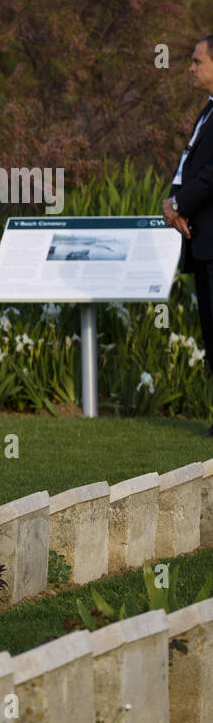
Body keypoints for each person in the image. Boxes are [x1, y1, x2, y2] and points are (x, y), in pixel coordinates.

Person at [162, 34, 213, 436]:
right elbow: (190, 170)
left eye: (197, 61)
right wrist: (172, 203)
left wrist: (178, 206)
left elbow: (211, 177)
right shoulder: (207, 112)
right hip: (201, 239)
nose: (190, 68)